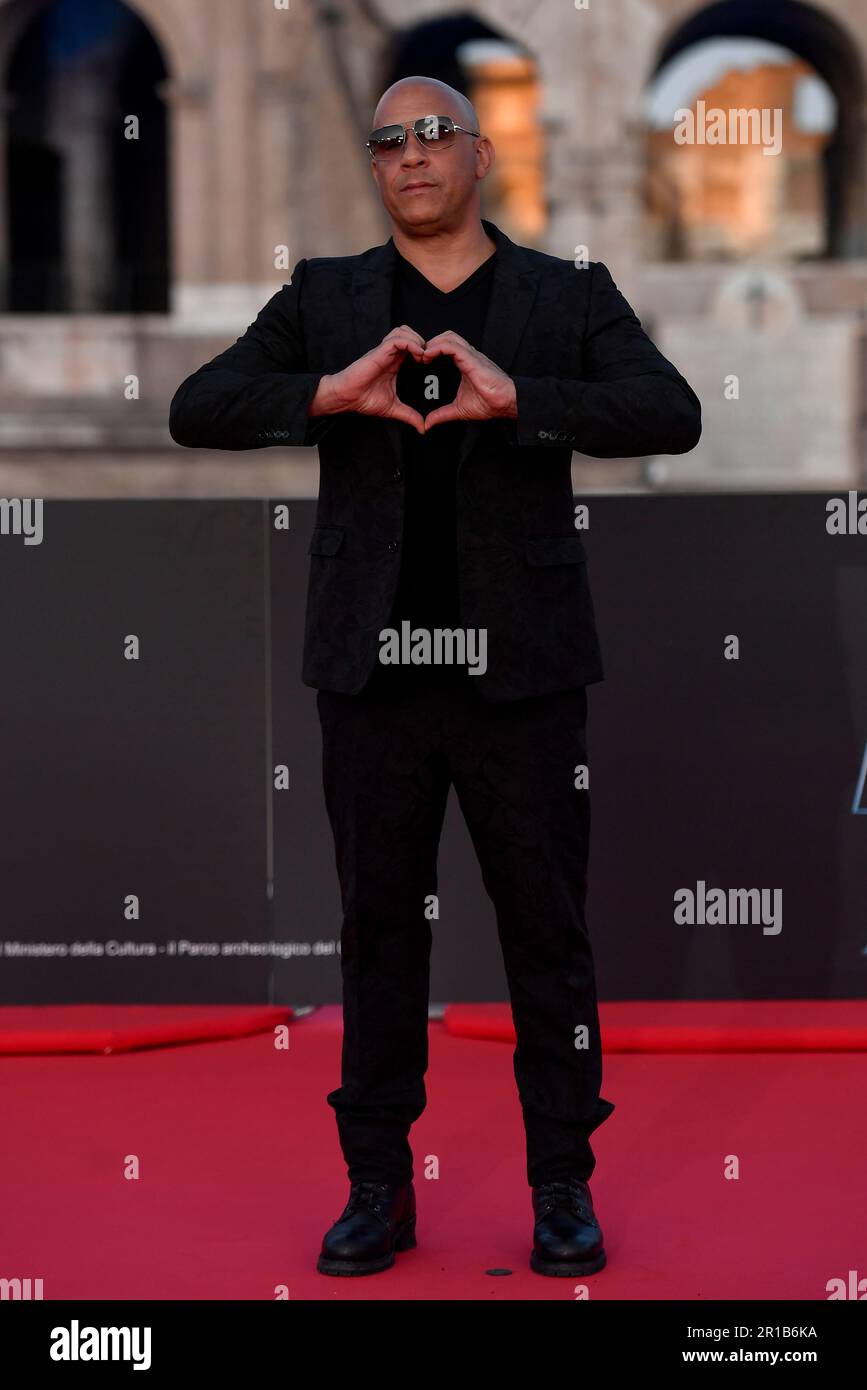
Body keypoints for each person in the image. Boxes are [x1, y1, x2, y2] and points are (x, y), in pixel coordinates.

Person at [169, 74, 701, 1279]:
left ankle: (563, 1187)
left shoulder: (564, 297)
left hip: (524, 680)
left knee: (548, 938)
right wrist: (327, 391)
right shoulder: (327, 296)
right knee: (376, 939)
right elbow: (196, 407)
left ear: (481, 154)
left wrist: (523, 401)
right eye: (386, 142)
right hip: (374, 677)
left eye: (432, 135)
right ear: (376, 168)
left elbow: (670, 412)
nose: (409, 156)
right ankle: (376, 1189)